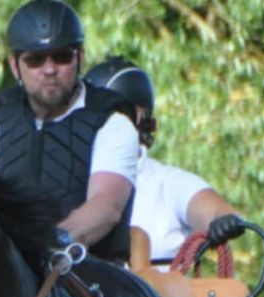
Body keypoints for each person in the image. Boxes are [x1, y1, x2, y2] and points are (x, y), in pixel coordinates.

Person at [0, 0, 139, 262]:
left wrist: (48, 245)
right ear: (15, 65)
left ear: (80, 57)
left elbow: (106, 207)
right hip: (5, 271)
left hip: (91, 270)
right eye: (35, 60)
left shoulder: (113, 125)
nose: (49, 69)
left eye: (62, 56)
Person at [81, 55, 248, 263]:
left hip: (157, 284)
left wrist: (222, 220)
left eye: (110, 114)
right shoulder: (68, 178)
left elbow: (218, 211)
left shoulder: (167, 183)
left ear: (139, 116)